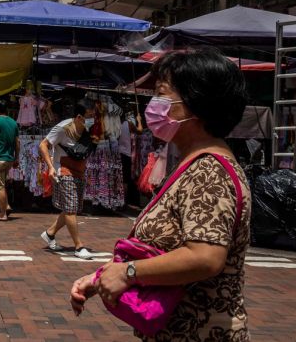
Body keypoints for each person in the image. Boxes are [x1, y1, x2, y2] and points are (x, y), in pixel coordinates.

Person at [70, 48, 250, 341]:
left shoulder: (209, 171)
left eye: (162, 93)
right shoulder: (193, 163)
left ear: (195, 104)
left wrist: (128, 272)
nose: (153, 104)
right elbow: (165, 251)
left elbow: (205, 257)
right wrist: (104, 275)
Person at [39, 103, 96, 260]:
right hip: (62, 170)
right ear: (79, 117)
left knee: (73, 207)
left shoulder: (87, 130)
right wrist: (50, 167)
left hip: (78, 171)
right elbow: (43, 145)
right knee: (71, 209)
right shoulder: (63, 128)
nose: (92, 119)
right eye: (89, 116)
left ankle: (50, 233)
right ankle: (79, 246)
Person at [120, 109, 144, 207]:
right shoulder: (129, 124)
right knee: (125, 180)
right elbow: (140, 131)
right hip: (125, 154)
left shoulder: (118, 124)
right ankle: (124, 202)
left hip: (118, 152)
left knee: (121, 178)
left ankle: (120, 200)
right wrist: (139, 120)